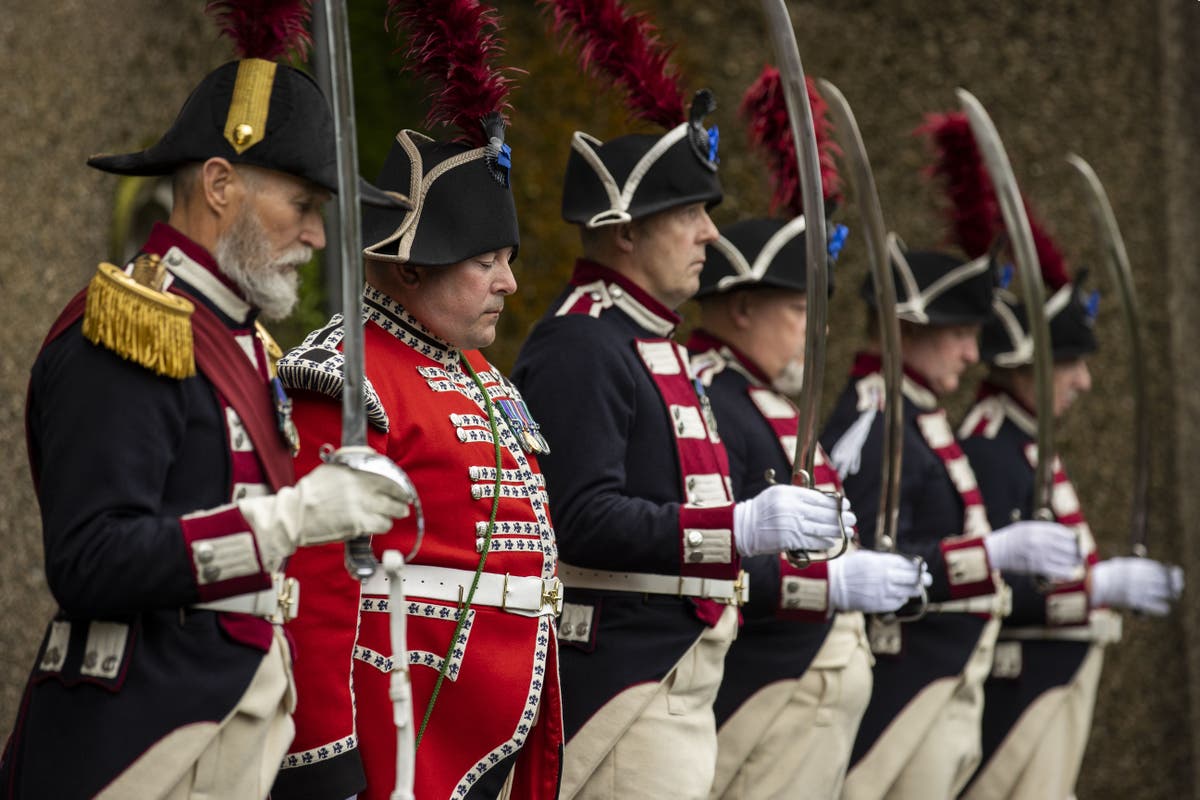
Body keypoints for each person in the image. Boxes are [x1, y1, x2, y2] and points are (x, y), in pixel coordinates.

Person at [0, 38, 412, 800]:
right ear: (220, 183)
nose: (318, 236)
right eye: (303, 205)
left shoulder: (241, 339)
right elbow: (89, 560)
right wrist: (291, 518)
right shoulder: (131, 321)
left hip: (236, 728)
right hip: (143, 740)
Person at [511, 78, 854, 794]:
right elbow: (580, 520)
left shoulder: (645, 342)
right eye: (690, 214)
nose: (711, 234)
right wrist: (741, 527)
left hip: (678, 671)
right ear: (626, 229)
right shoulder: (583, 342)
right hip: (621, 682)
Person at [272, 6, 563, 797]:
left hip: (488, 727)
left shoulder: (481, 374)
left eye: (508, 260)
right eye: (484, 262)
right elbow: (317, 586)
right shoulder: (344, 372)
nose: (509, 283)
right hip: (396, 732)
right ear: (408, 268)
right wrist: (323, 758)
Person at [821, 239, 1085, 800]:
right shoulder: (878, 421)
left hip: (945, 676)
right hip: (902, 682)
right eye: (961, 334)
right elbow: (861, 561)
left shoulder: (914, 415)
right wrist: (987, 557)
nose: (973, 354)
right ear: (910, 332)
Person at [688, 214, 929, 799]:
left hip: (812, 693)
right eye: (800, 312)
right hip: (763, 693)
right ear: (743, 306)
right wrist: (830, 583)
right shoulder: (709, 396)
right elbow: (704, 552)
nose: (814, 333)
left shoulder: (764, 399)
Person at [958, 272, 1183, 799]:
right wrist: (1093, 589)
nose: (1083, 381)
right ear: (1025, 366)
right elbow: (987, 587)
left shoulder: (1024, 440)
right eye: (1068, 363)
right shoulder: (990, 448)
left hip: (1053, 689)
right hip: (1017, 698)